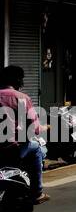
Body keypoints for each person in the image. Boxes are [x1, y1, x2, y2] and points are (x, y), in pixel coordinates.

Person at [0, 66, 47, 204]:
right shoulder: (22, 98)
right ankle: (37, 192)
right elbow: (35, 128)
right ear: (18, 80)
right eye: (22, 79)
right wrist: (45, 127)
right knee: (37, 148)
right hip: (12, 149)